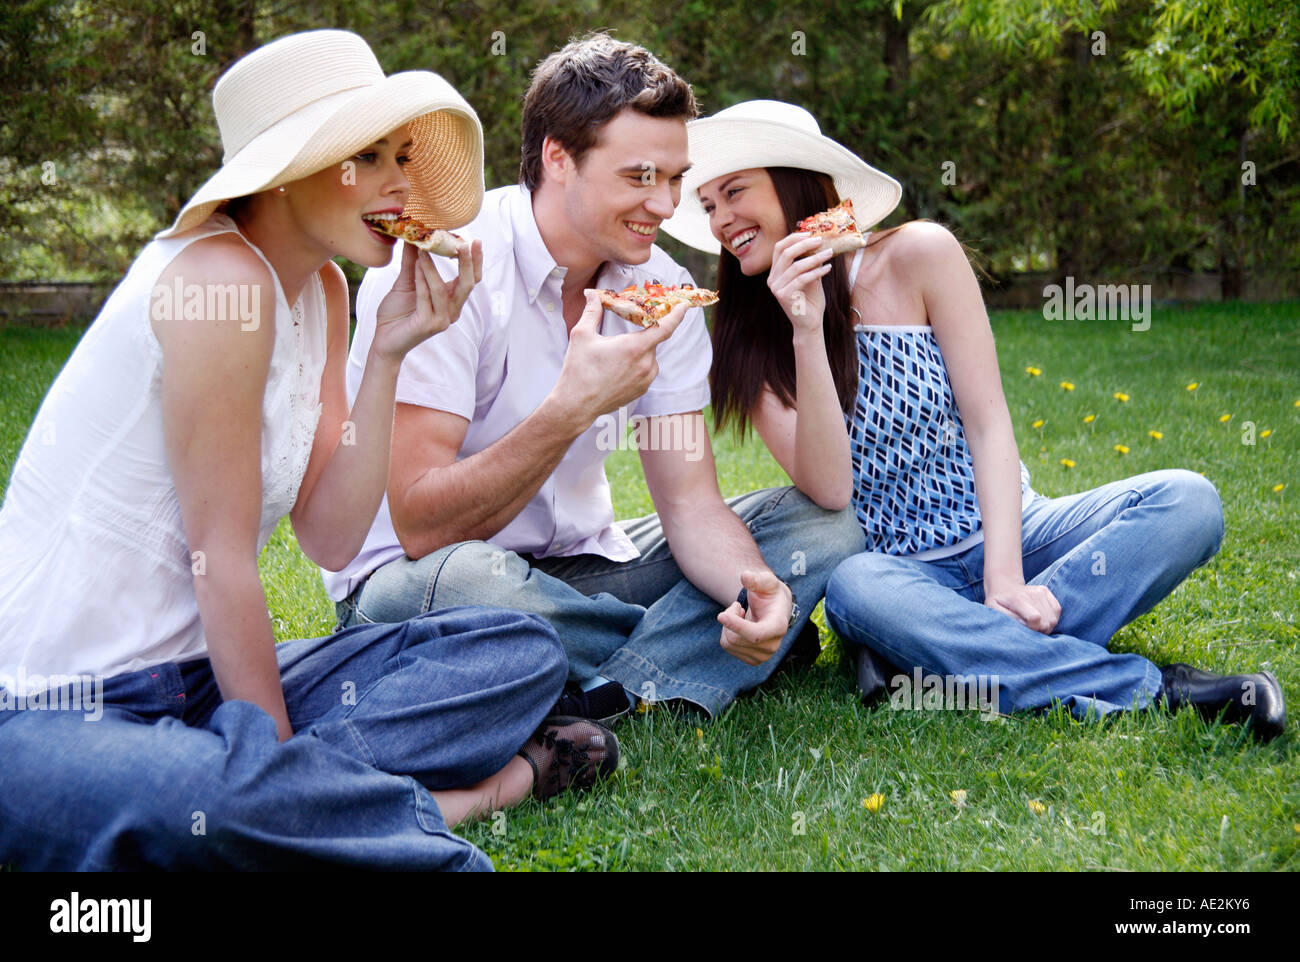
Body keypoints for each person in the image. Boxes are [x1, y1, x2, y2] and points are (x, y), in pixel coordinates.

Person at [0, 30, 618, 873]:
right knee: (215, 802)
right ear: (288, 169)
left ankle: (281, 800)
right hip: (53, 713)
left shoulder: (323, 289)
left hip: (200, 687)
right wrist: (272, 756)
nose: (402, 184)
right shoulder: (219, 283)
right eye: (369, 156)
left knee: (519, 652)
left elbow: (329, 534)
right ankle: (455, 799)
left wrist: (389, 354)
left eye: (402, 155)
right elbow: (218, 559)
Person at [658, 99, 1285, 739]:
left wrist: (1006, 577)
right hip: (900, 576)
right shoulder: (748, 345)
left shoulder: (919, 254)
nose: (721, 220)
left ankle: (940, 658)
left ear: (795, 182)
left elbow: (989, 424)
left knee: (1190, 502)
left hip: (1018, 535)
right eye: (708, 206)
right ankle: (1150, 690)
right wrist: (805, 327)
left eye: (734, 192)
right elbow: (830, 489)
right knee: (853, 588)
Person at [323, 35, 866, 721]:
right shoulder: (447, 270)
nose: (667, 205)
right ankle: (676, 658)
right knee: (470, 585)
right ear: (558, 157)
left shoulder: (662, 289)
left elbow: (692, 507)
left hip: (584, 563)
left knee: (825, 527)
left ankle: (600, 688)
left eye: (674, 179)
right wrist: (570, 409)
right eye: (641, 176)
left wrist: (752, 589)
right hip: (424, 577)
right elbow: (424, 526)